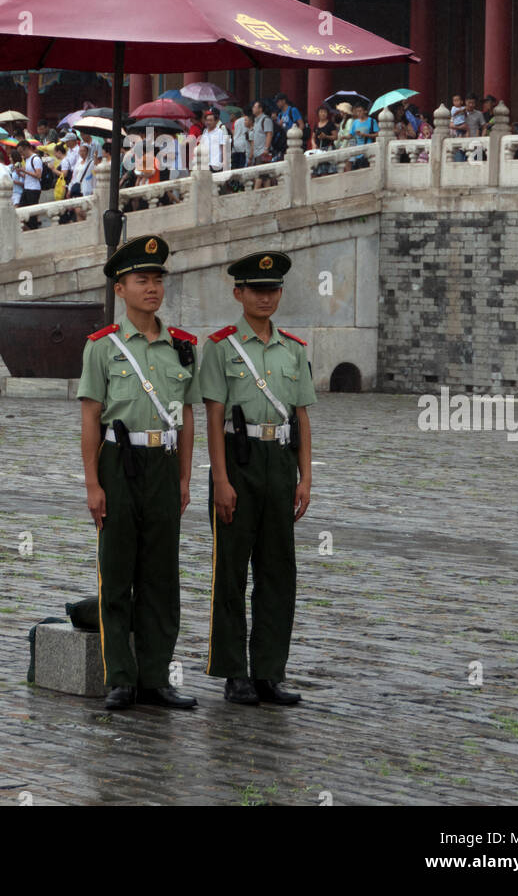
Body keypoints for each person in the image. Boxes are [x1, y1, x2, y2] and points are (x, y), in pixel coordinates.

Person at [78, 234, 198, 712]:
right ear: (120, 289)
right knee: (118, 569)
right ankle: (120, 677)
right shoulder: (102, 348)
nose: (151, 288)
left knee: (162, 576)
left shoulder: (183, 347)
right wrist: (92, 482)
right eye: (140, 280)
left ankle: (156, 677)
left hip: (164, 465)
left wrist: (186, 478)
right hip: (118, 462)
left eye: (157, 279)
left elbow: (186, 417)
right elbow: (90, 416)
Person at [200, 251, 314, 706]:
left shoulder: (293, 348)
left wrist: (305, 478)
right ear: (238, 293)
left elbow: (303, 417)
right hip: (238, 460)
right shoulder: (221, 347)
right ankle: (234, 672)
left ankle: (269, 670)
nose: (266, 298)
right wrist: (221, 480)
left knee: (278, 571)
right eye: (257, 290)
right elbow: (212, 419)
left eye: (273, 290)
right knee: (231, 571)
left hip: (280, 462)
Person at [249, 99, 274, 189]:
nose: (253, 109)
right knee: (265, 177)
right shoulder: (256, 121)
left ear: (260, 109)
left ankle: (254, 195)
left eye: (254, 107)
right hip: (257, 152)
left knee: (259, 176)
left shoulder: (266, 120)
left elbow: (269, 134)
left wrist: (266, 148)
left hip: (262, 152)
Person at [201, 107, 231, 172]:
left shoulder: (220, 131)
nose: (208, 122)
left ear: (215, 121)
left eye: (211, 120)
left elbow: (224, 147)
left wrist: (225, 163)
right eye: (207, 120)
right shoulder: (205, 131)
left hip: (216, 165)